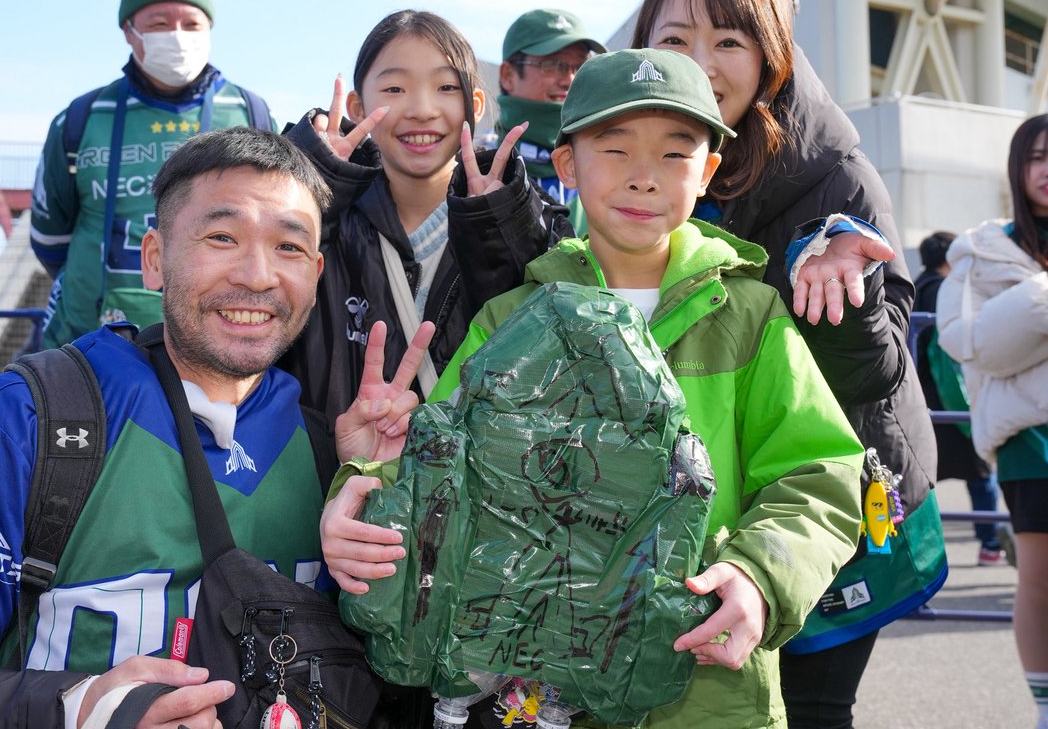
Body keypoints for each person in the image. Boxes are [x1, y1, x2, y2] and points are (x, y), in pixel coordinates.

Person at [322, 48, 866, 728]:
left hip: (709, 696)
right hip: (525, 694)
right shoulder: (512, 317)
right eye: (614, 149)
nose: (643, 177)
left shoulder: (749, 316)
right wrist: (366, 478)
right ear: (568, 165)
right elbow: (434, 475)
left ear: (708, 172)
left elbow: (821, 476)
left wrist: (760, 576)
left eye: (675, 154)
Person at [0, 127, 428, 729]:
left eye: (289, 247)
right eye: (222, 237)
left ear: (316, 272)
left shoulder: (328, 450)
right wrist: (82, 708)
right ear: (154, 259)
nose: (258, 275)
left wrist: (378, 492)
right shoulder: (16, 423)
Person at [631, 0, 944, 727]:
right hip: (708, 501)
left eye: (728, 41)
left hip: (831, 500)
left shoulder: (838, 178)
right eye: (675, 40)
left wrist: (847, 297)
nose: (701, 65)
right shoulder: (639, 166)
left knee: (810, 708)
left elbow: (877, 372)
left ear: (771, 53)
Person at [280, 9, 572, 427]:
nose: (422, 109)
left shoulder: (529, 218)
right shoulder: (327, 214)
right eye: (395, 88)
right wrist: (316, 182)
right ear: (357, 106)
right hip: (329, 463)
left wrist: (497, 224)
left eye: (446, 87)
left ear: (474, 105)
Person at [31, 0, 273, 350]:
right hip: (88, 346)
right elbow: (50, 241)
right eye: (159, 24)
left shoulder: (249, 113)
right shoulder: (80, 118)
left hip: (213, 348)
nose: (177, 36)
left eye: (191, 23)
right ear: (129, 31)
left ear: (209, 28)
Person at [937, 112, 1048, 729]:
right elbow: (970, 344)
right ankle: (1045, 707)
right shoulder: (983, 248)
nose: (1047, 169)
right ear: (1016, 168)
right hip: (1030, 440)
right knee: (1039, 580)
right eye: (1036, 156)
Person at [914, 231, 1006, 565]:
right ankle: (990, 543)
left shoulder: (915, 287)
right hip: (951, 396)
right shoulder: (947, 291)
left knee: (923, 480)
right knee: (981, 475)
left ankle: (923, 551)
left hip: (920, 398)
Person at [493, 8, 605, 228]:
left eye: (581, 67)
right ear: (508, 76)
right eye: (554, 65)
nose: (570, 79)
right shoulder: (476, 167)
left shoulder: (612, 167)